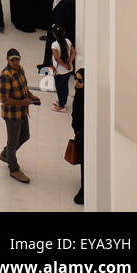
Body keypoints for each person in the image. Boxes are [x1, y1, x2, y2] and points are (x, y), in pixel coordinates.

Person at [0, 48, 40, 184]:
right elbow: (5, 100)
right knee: (13, 141)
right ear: (7, 60)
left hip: (22, 111)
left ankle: (6, 154)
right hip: (12, 115)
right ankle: (14, 169)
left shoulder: (20, 69)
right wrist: (24, 101)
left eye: (17, 59)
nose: (15, 62)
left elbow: (23, 87)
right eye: (12, 60)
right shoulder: (5, 77)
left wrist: (31, 96)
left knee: (25, 136)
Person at [50, 25, 76, 111]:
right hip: (68, 70)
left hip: (59, 71)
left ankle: (61, 106)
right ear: (64, 32)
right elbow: (73, 52)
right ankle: (63, 101)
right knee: (65, 86)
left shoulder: (54, 45)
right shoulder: (68, 41)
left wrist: (65, 65)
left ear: (54, 34)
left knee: (59, 88)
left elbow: (57, 59)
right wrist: (69, 63)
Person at [71, 68, 85, 204]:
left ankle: (84, 191)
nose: (76, 83)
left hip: (84, 135)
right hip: (79, 133)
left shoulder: (86, 98)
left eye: (80, 81)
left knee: (84, 162)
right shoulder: (80, 93)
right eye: (76, 79)